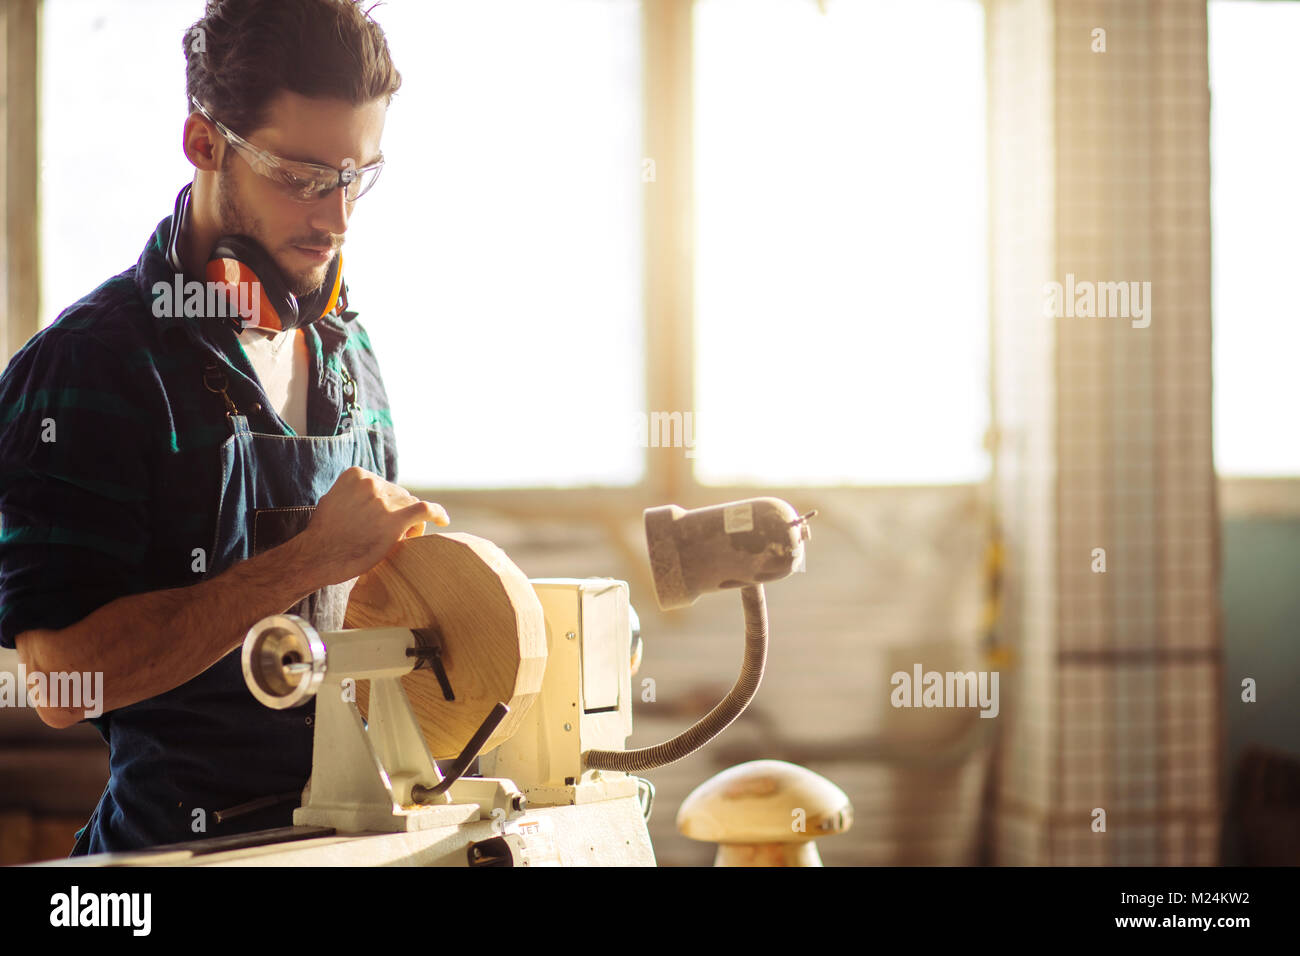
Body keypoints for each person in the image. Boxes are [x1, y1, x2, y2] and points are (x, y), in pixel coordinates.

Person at [0, 0, 447, 856]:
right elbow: (61, 680)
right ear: (205, 143)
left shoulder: (351, 353)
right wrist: (312, 559)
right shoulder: (89, 367)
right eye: (305, 177)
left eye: (357, 176)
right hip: (172, 853)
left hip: (351, 837)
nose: (338, 217)